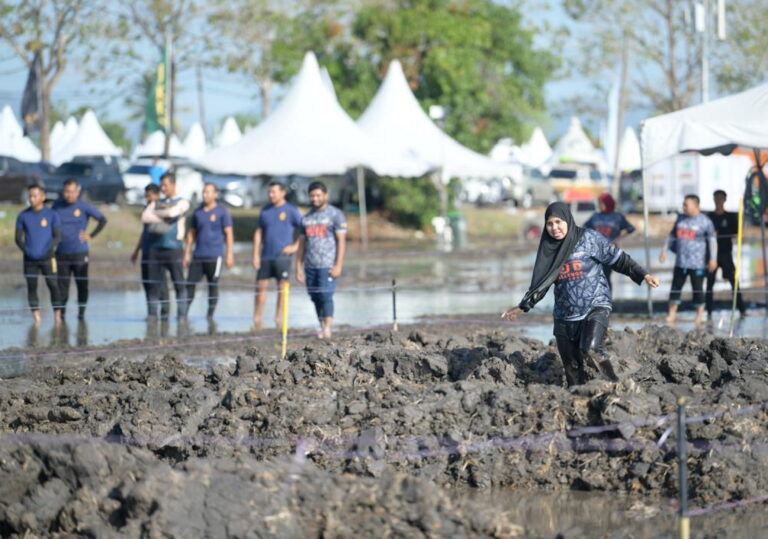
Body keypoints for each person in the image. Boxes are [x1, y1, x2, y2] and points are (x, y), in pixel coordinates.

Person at [502, 202, 659, 387]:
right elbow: (541, 283)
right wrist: (522, 307)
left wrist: (643, 274)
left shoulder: (589, 238)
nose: (554, 228)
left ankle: (616, 385)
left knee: (591, 349)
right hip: (564, 314)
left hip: (595, 305)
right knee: (572, 369)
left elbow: (618, 258)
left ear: (568, 219)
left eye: (558, 222)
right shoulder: (549, 249)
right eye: (550, 224)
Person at [296, 181, 347, 340]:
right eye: (312, 195)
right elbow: (302, 244)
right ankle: (321, 326)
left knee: (325, 296)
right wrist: (298, 267)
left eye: (318, 195)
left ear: (326, 195)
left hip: (328, 265)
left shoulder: (335, 215)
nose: (315, 198)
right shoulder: (306, 218)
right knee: (315, 297)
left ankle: (328, 328)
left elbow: (341, 241)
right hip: (310, 265)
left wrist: (338, 265)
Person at [52, 178, 108, 320]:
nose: (69, 195)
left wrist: (91, 235)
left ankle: (81, 314)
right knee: (62, 286)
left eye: (72, 192)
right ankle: (61, 315)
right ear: (63, 192)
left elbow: (102, 220)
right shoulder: (56, 206)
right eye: (66, 192)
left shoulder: (84, 207)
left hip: (79, 252)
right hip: (61, 253)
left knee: (81, 284)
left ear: (77, 192)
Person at [659, 194, 717, 326]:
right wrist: (664, 251)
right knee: (675, 288)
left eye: (686, 204)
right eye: (683, 204)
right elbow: (672, 235)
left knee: (697, 289)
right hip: (681, 261)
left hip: (697, 263)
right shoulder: (680, 219)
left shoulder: (705, 221)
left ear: (696, 206)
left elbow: (712, 241)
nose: (683, 207)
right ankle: (672, 314)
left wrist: (713, 258)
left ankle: (699, 315)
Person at [252, 181, 303, 328]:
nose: (271, 195)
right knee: (260, 287)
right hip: (266, 255)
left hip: (283, 257)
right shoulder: (265, 210)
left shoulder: (291, 210)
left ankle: (279, 318)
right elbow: (258, 233)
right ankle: (257, 318)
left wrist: (295, 247)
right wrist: (255, 254)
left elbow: (304, 231)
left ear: (283, 192)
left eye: (274, 192)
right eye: (269, 192)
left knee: (282, 288)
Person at [141, 172, 190, 320]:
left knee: (178, 283)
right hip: (155, 248)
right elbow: (144, 217)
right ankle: (152, 315)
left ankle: (182, 316)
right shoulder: (156, 202)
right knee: (153, 283)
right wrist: (163, 214)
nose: (162, 188)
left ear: (173, 185)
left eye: (165, 185)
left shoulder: (183, 202)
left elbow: (173, 212)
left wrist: (156, 214)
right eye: (161, 185)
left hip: (173, 248)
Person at [184, 183, 234, 318]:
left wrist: (229, 255)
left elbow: (228, 233)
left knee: (212, 285)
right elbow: (191, 234)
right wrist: (187, 253)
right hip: (198, 255)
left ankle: (210, 316)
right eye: (204, 192)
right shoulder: (197, 212)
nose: (205, 195)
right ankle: (184, 313)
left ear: (215, 194)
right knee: (190, 284)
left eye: (208, 192)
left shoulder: (222, 212)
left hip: (215, 256)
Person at [15, 185, 63, 326]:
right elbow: (18, 238)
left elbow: (57, 236)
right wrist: (27, 251)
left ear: (42, 197)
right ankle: (36, 318)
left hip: (48, 258)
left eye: (35, 195)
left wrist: (49, 250)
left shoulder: (52, 214)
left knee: (53, 285)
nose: (32, 198)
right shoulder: (23, 215)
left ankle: (58, 317)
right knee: (31, 287)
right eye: (30, 196)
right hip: (30, 259)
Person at [706, 189, 746, 318]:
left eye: (720, 198)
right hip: (712, 255)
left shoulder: (730, 217)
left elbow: (738, 232)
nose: (718, 201)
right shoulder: (709, 217)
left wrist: (741, 221)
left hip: (726, 253)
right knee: (710, 283)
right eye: (716, 198)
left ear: (724, 200)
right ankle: (709, 311)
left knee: (734, 281)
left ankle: (741, 309)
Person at [131, 184, 168, 317]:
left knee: (160, 282)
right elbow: (144, 232)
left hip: (158, 252)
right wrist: (136, 251)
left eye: (150, 195)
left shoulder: (162, 208)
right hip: (146, 250)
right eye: (146, 196)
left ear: (157, 195)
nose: (147, 198)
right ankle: (151, 313)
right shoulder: (146, 210)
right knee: (147, 281)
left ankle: (165, 312)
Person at [583, 193, 635, 287]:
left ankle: (607, 299)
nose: (600, 206)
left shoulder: (617, 217)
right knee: (594, 276)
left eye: (601, 203)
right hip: (595, 251)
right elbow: (584, 228)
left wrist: (618, 238)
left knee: (605, 276)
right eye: (599, 203)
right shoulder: (595, 216)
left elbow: (630, 228)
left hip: (610, 251)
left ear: (608, 203)